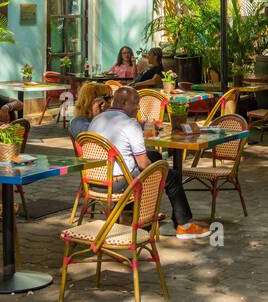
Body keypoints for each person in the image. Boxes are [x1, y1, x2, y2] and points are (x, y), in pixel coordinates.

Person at [85, 86, 211, 239]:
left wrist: (155, 161)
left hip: (95, 180)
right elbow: (143, 164)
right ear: (124, 103)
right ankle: (184, 225)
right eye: (135, 103)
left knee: (156, 156)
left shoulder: (97, 118)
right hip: (118, 182)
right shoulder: (130, 124)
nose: (138, 107)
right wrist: (159, 168)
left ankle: (131, 214)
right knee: (171, 175)